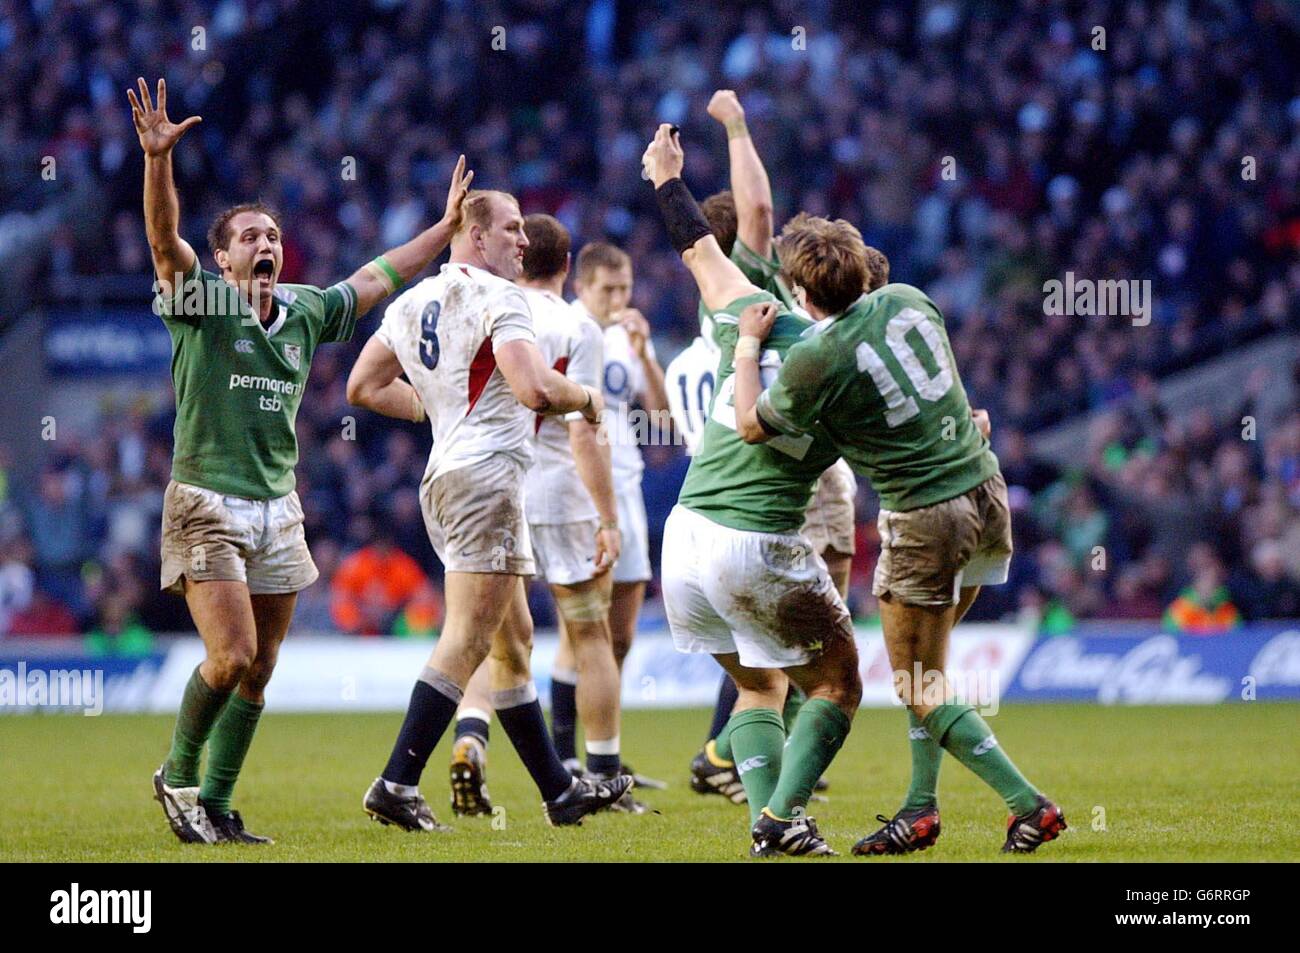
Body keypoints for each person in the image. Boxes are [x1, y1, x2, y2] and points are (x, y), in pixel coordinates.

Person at [131, 76, 475, 845]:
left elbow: (380, 275)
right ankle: (178, 776)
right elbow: (162, 242)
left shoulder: (305, 309)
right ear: (222, 260)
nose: (266, 245)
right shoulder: (203, 305)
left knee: (261, 668)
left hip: (278, 506)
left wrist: (444, 229)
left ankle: (217, 804)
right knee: (232, 653)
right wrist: (159, 162)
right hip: (206, 500)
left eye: (273, 237)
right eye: (249, 237)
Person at [729, 210, 1066, 855]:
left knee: (912, 684)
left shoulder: (816, 356)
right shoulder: (912, 299)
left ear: (800, 293)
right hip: (986, 492)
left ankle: (1030, 806)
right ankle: (919, 810)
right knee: (930, 675)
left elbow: (751, 425)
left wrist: (748, 343)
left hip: (925, 517)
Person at [347, 187, 631, 832]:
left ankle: (559, 792)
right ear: (476, 237)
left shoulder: (414, 300)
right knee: (469, 638)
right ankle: (395, 782)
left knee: (514, 641)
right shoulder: (503, 299)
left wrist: (431, 408)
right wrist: (587, 398)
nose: (523, 240)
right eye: (509, 230)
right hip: (487, 481)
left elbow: (361, 386)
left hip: (444, 479)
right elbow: (533, 388)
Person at [642, 124, 862, 857]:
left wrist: (666, 177)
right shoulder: (861, 375)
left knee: (761, 686)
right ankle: (780, 816)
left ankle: (771, 826)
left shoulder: (749, 314)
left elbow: (697, 247)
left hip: (685, 537)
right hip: (757, 542)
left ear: (795, 286)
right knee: (837, 686)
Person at [445, 214, 639, 815]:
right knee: (589, 636)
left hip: (500, 491)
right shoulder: (577, 325)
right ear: (567, 264)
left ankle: (470, 738)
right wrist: (609, 516)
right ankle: (603, 772)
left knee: (485, 635)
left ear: (520, 255)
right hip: (564, 497)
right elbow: (585, 433)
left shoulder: (490, 311)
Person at [562, 241, 668, 784]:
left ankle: (604, 753)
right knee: (582, 631)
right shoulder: (570, 330)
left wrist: (647, 353)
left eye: (624, 287)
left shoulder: (627, 339)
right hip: (583, 492)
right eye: (607, 288)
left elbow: (665, 421)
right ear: (582, 288)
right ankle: (567, 758)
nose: (618, 297)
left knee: (618, 638)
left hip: (627, 486)